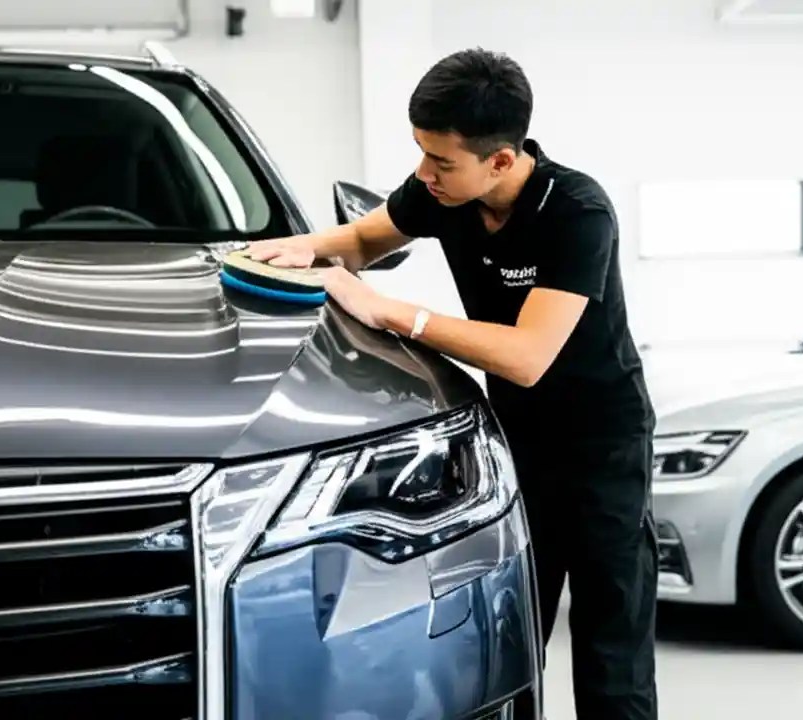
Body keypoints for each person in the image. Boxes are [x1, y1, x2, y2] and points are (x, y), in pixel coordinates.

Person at [247, 47, 659, 720]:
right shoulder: (443, 193)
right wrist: (302, 251)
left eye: (440, 160)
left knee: (611, 644)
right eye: (420, 152)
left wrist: (393, 313)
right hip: (516, 441)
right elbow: (363, 240)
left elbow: (527, 356)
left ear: (501, 160)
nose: (423, 174)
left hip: (602, 447)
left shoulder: (577, 211)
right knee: (511, 625)